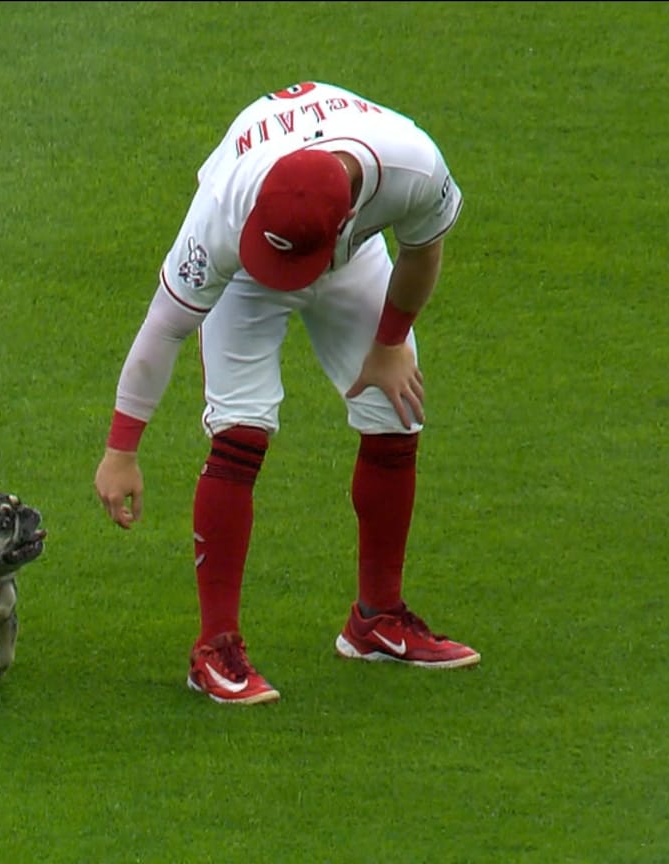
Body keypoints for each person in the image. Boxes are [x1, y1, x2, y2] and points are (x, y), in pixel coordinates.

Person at [93, 80, 481, 706]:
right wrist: (121, 449)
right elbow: (164, 325)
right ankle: (214, 649)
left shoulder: (411, 164)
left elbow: (422, 249)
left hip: (350, 257)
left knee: (396, 413)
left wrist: (389, 344)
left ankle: (377, 620)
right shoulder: (225, 210)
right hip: (244, 275)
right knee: (240, 431)